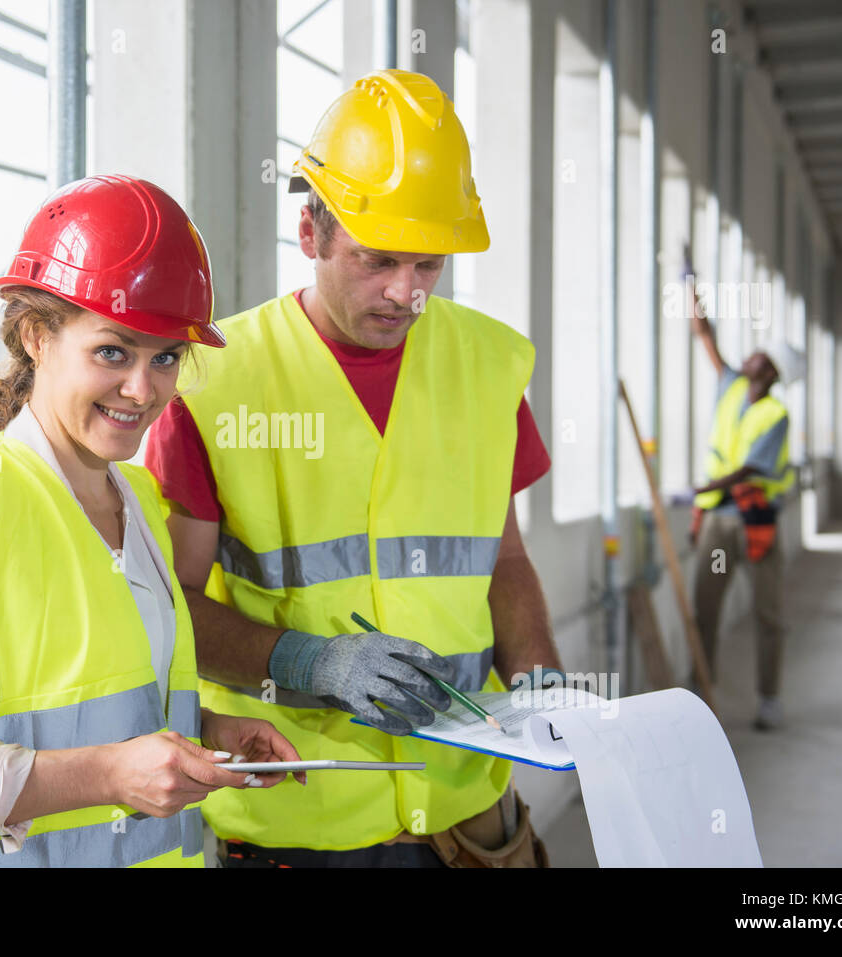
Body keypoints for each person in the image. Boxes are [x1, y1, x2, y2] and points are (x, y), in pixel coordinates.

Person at [145, 70, 562, 867]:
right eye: (380, 261)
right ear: (310, 232)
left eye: (429, 266)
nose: (406, 293)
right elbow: (170, 609)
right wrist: (311, 661)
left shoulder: (487, 365)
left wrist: (541, 680)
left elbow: (503, 557)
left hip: (471, 808)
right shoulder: (216, 384)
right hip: (304, 817)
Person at [0, 174, 303, 867]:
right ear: (37, 337)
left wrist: (197, 733)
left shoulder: (138, 500)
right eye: (112, 351)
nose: (142, 389)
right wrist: (110, 775)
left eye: (166, 357)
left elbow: (91, 705)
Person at [687, 269, 802, 731]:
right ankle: (700, 696)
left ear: (771, 372)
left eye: (759, 356)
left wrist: (708, 488)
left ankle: (769, 699)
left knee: (768, 612)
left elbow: (753, 467)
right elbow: (706, 337)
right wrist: (691, 293)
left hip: (757, 523)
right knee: (705, 609)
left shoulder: (777, 414)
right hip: (718, 521)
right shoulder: (730, 386)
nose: (749, 357)